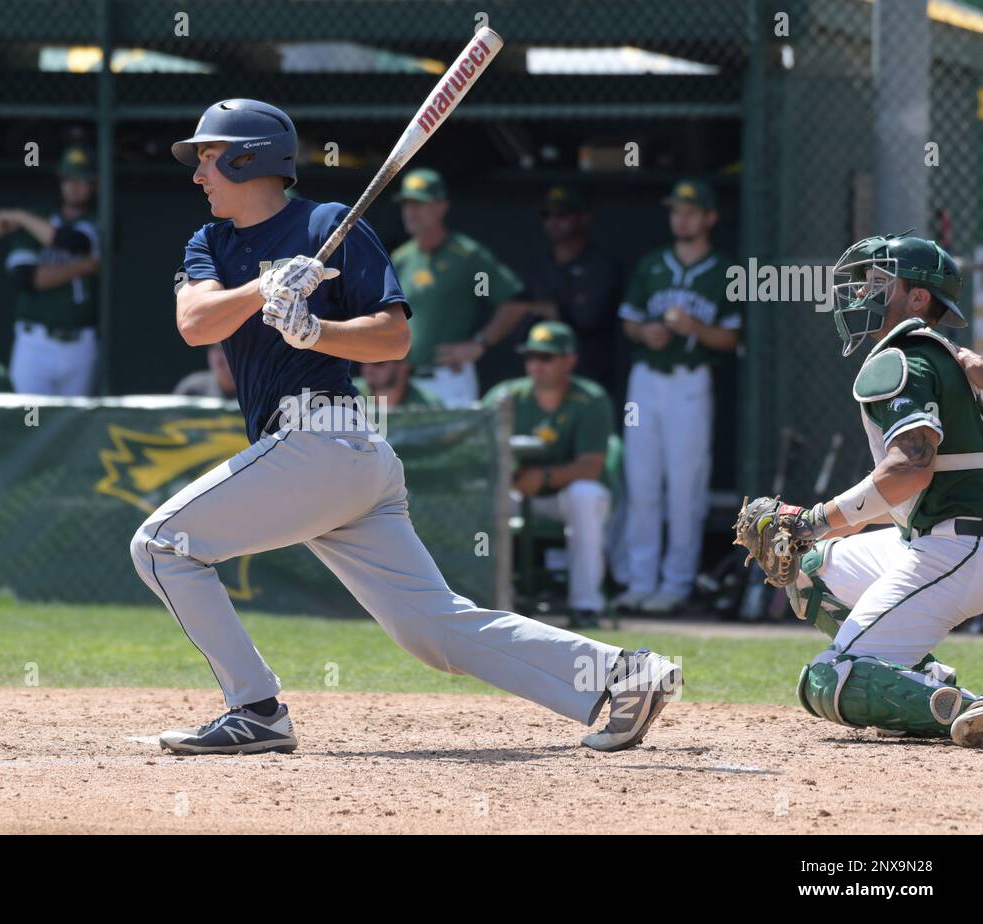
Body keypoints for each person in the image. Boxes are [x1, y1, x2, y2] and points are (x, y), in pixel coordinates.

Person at [129, 97, 682, 757]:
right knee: (433, 631)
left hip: (327, 440)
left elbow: (392, 339)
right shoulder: (210, 242)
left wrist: (317, 330)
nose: (198, 174)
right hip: (317, 463)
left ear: (251, 159)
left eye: (211, 159)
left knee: (164, 544)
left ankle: (255, 708)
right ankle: (622, 676)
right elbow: (196, 323)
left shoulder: (329, 223)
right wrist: (264, 288)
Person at [761, 232, 983, 747]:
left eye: (880, 280)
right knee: (810, 567)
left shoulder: (905, 358)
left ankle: (965, 709)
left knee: (830, 680)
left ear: (918, 297)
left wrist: (810, 519)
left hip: (959, 547)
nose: (863, 292)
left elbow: (911, 468)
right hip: (936, 535)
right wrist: (813, 530)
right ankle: (923, 684)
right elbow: (909, 494)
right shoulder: (943, 357)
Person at [615, 179, 740, 614]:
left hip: (691, 380)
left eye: (690, 211)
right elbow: (628, 320)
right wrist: (644, 331)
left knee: (684, 486)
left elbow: (730, 338)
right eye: (676, 211)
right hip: (645, 379)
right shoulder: (653, 264)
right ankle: (638, 579)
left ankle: (676, 583)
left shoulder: (723, 269)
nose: (681, 218)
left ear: (709, 217)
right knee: (642, 480)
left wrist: (695, 329)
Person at [483, 322, 614, 627]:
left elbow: (591, 466)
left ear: (570, 360)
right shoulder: (506, 395)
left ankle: (586, 606)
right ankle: (498, 600)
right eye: (531, 357)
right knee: (483, 500)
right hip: (517, 491)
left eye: (547, 358)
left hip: (564, 497)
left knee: (585, 495)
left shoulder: (591, 399)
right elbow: (477, 448)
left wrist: (542, 478)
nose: (537, 365)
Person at [389, 168, 530, 408]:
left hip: (449, 378)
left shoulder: (466, 256)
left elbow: (514, 302)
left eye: (419, 204)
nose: (411, 212)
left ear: (441, 207)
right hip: (407, 381)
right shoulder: (401, 258)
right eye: (407, 204)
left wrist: (479, 343)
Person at [0, 144, 101, 396]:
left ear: (94, 183)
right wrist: (81, 267)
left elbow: (75, 242)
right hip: (34, 342)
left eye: (82, 179)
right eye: (69, 178)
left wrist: (19, 218)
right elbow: (26, 279)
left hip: (80, 343)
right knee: (25, 425)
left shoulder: (99, 218)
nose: (74, 186)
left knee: (73, 428)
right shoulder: (38, 217)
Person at [523, 185, 625, 395]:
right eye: (547, 215)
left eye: (562, 215)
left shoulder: (602, 266)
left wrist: (552, 309)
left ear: (584, 218)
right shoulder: (540, 268)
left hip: (588, 376)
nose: (554, 222)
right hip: (544, 379)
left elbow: (587, 318)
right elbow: (522, 325)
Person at [352, 358, 441, 409]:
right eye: (363, 360)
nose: (367, 369)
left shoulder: (429, 407)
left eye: (378, 362)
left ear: (403, 366)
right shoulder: (347, 393)